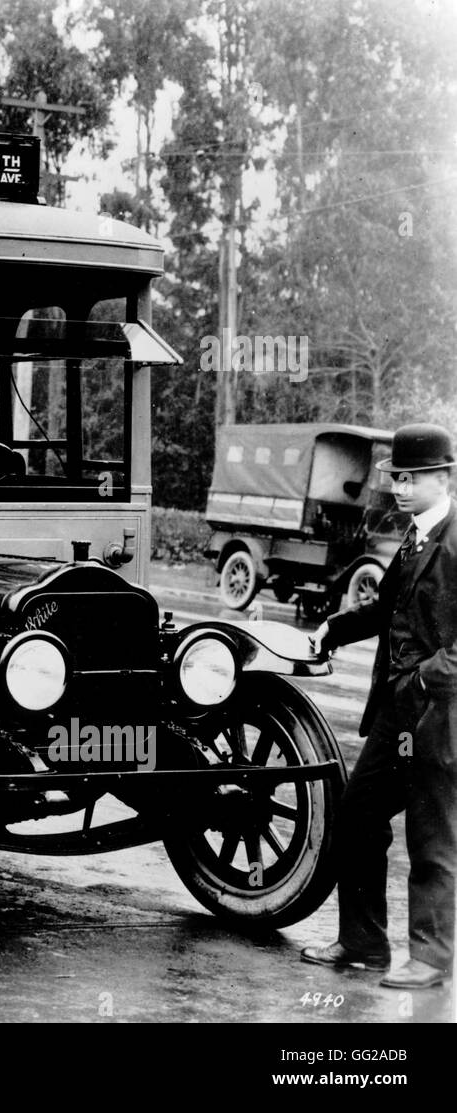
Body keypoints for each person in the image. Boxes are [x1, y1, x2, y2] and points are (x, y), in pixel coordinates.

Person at [302, 422, 457, 989]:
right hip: (399, 715)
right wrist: (333, 629)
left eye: (413, 477)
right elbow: (384, 609)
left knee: (431, 836)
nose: (400, 486)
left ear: (445, 477)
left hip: (441, 718)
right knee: (359, 814)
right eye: (397, 476)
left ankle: (432, 960)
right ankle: (364, 944)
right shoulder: (416, 535)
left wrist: (423, 682)